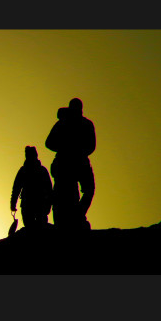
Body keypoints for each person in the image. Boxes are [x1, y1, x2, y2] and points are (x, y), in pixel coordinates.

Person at [44, 97, 96, 230]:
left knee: (86, 190)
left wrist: (76, 150)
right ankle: (73, 219)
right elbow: (49, 143)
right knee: (66, 195)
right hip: (66, 164)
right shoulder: (65, 123)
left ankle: (77, 216)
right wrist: (66, 148)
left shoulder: (74, 123)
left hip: (74, 163)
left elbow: (91, 146)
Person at [10, 145, 52, 229]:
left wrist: (13, 203)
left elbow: (49, 190)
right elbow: (16, 188)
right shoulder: (41, 170)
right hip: (31, 205)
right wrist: (13, 203)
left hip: (37, 205)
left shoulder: (26, 170)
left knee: (35, 228)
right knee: (33, 228)